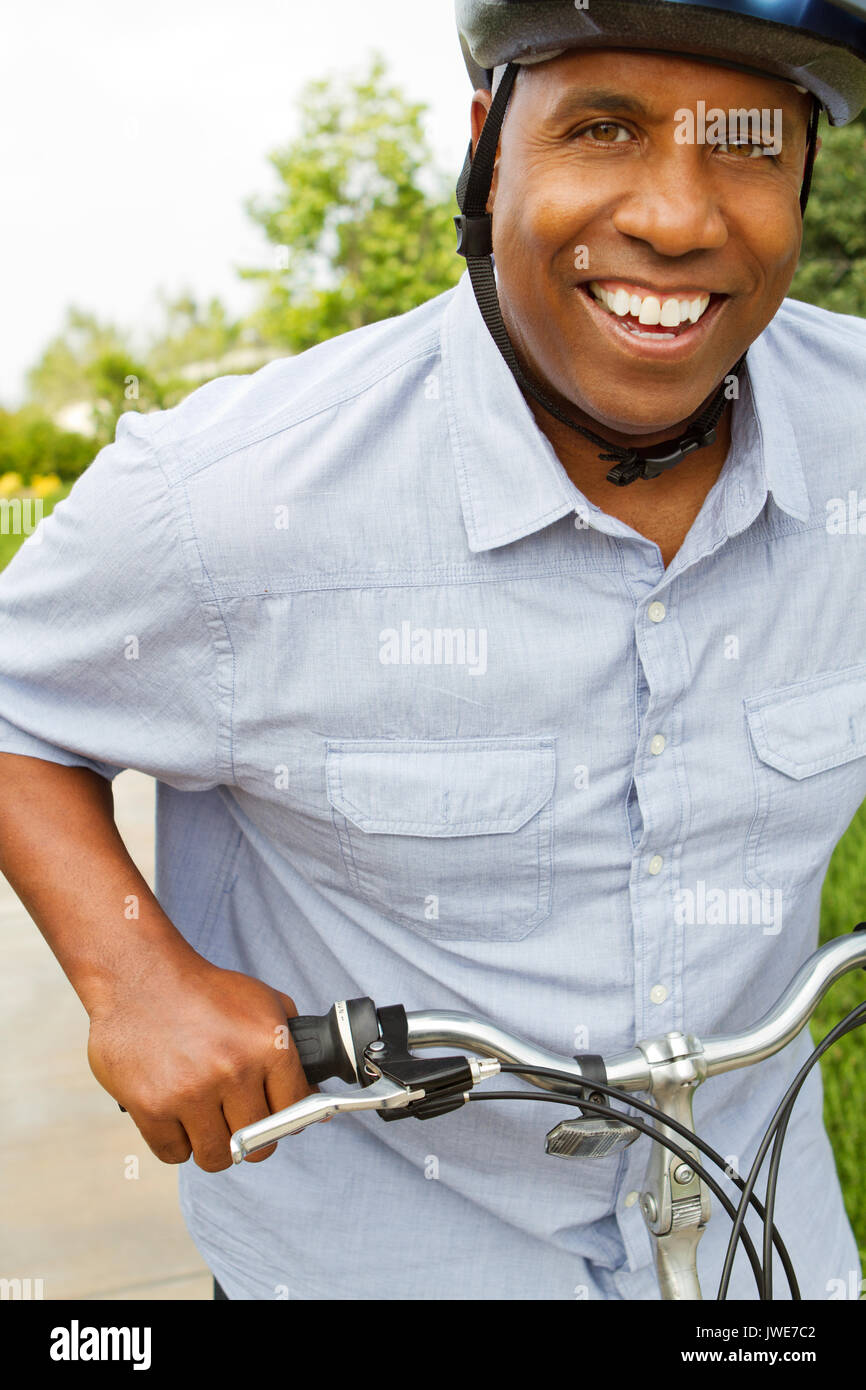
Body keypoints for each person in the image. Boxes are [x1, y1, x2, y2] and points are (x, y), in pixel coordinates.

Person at [0, 0, 865, 1301]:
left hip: (770, 1260)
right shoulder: (232, 493)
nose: (679, 218)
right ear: (486, 150)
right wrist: (134, 976)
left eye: (746, 147)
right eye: (602, 129)